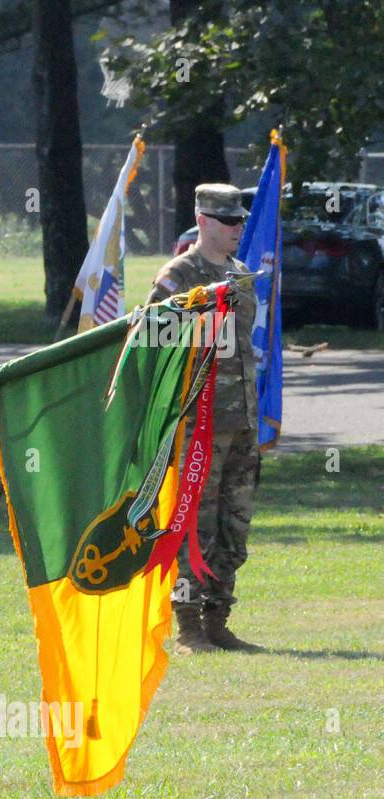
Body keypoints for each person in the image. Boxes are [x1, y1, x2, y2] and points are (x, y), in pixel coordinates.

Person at [148, 183, 261, 654]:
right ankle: (189, 625)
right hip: (200, 426)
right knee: (197, 524)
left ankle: (219, 619)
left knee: (235, 523)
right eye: (231, 221)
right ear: (205, 221)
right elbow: (149, 339)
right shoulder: (180, 275)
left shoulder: (239, 275)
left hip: (242, 423)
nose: (239, 228)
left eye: (241, 220)